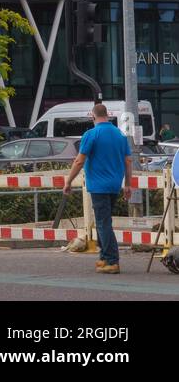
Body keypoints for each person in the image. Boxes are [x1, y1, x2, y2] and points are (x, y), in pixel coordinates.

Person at [64, 103, 132, 274]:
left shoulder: (91, 134)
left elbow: (79, 161)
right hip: (115, 185)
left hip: (98, 186)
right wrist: (128, 184)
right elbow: (128, 161)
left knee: (103, 223)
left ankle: (112, 261)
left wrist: (68, 181)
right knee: (104, 221)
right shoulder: (120, 135)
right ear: (107, 115)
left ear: (93, 117)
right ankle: (103, 257)